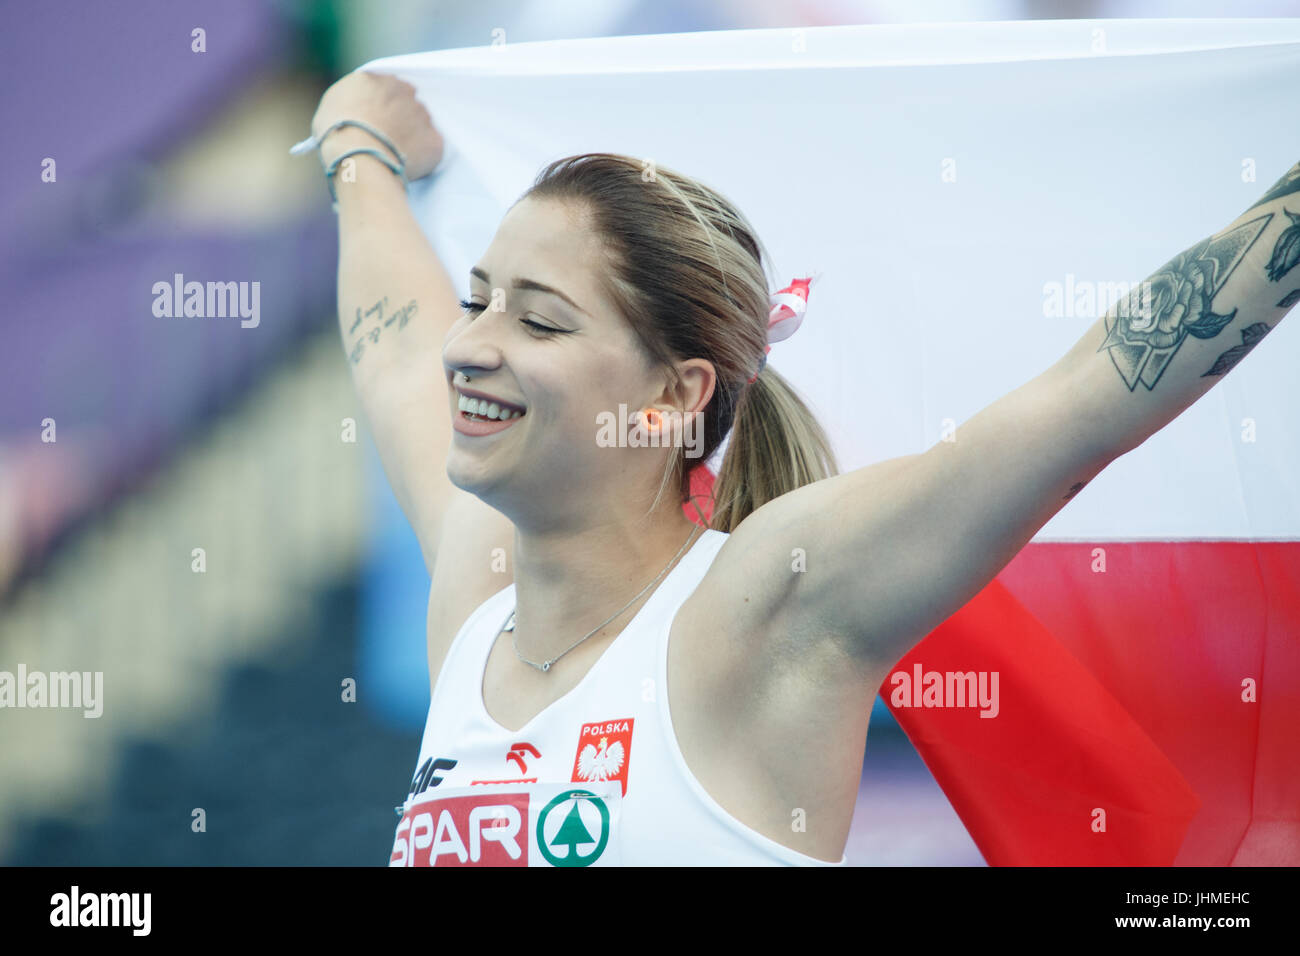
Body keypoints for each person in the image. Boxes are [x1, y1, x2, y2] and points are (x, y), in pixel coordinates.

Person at [303, 71, 1298, 866]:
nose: (470, 344)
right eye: (477, 297)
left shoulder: (762, 601)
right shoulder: (476, 600)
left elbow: (1086, 399)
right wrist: (357, 145)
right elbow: (393, 348)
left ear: (674, 395)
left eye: (538, 317)